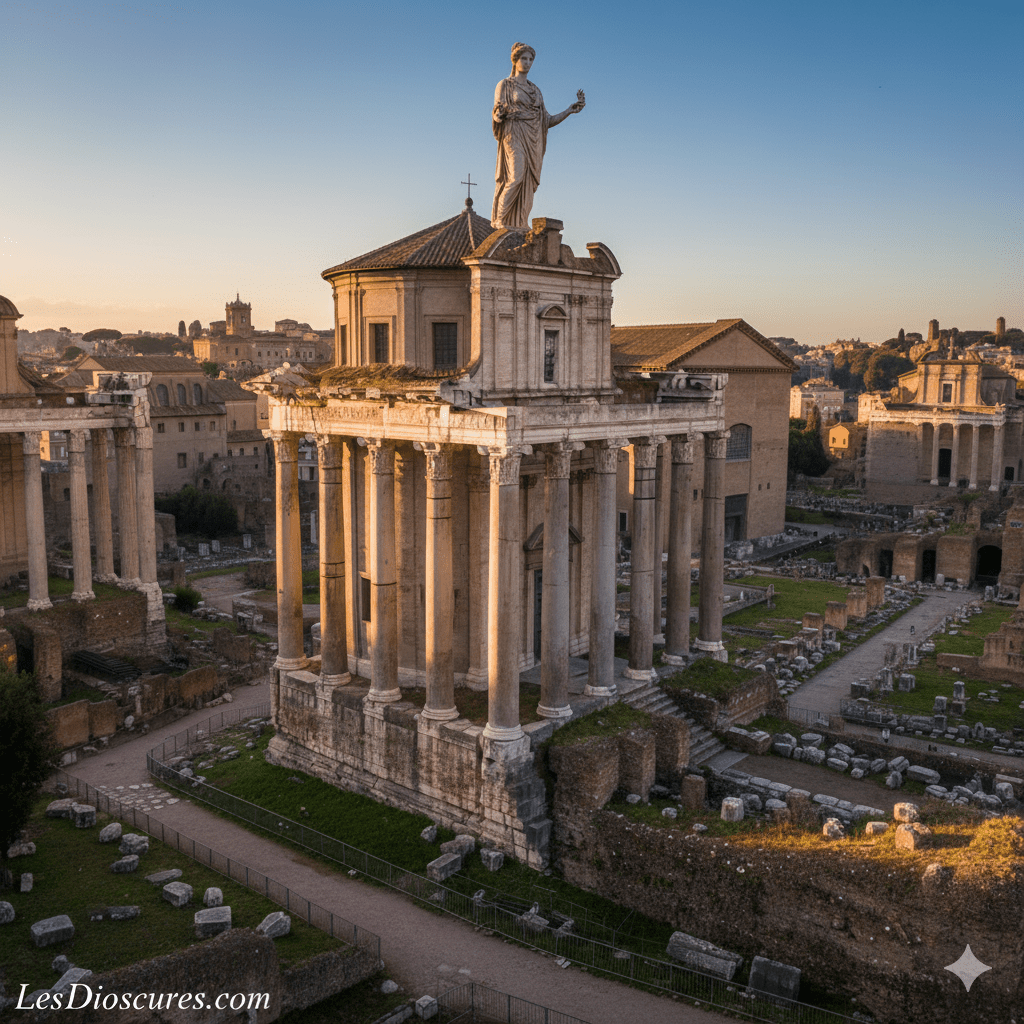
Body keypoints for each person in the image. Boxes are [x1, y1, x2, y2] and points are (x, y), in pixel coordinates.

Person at [491, 43, 585, 231]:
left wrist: (569, 111)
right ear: (515, 61)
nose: (527, 63)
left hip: (533, 137)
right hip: (514, 133)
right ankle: (500, 220)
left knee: (528, 181)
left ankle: (521, 222)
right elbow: (496, 111)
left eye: (530, 59)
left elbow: (546, 121)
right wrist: (498, 115)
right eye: (523, 59)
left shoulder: (536, 91)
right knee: (516, 176)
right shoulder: (505, 85)